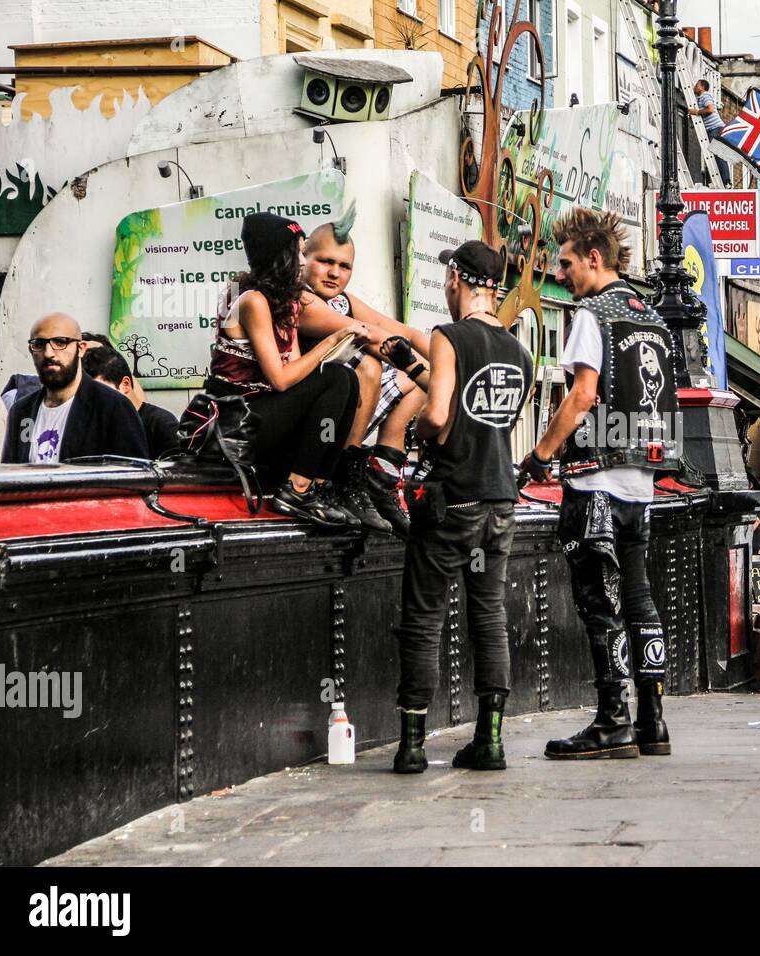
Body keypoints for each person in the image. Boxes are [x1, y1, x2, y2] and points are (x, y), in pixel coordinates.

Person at [520, 207, 681, 759]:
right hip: (642, 482)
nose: (559, 274)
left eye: (565, 264)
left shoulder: (593, 314)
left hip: (595, 478)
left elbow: (582, 394)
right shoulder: (653, 318)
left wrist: (541, 453)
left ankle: (613, 719)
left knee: (599, 602)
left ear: (593, 258)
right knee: (640, 598)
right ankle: (652, 721)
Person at [392, 240, 533, 775]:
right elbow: (497, 419)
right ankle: (490, 740)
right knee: (489, 615)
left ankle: (411, 746)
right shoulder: (519, 351)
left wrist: (418, 425)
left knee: (425, 617)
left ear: (457, 279)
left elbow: (439, 414)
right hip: (500, 499)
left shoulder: (448, 336)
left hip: (450, 498)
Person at [203, 211, 363, 526]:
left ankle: (315, 487)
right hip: (237, 423)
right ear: (281, 257)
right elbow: (280, 380)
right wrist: (331, 341)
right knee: (333, 377)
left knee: (346, 378)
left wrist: (341, 349)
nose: (304, 262)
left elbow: (296, 368)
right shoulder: (252, 301)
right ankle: (297, 490)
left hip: (263, 417)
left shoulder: (286, 302)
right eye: (299, 252)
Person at [300, 217, 432, 537]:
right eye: (325, 261)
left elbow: (406, 333)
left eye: (344, 266)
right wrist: (439, 377)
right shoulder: (301, 300)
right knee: (371, 366)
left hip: (344, 415)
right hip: (306, 420)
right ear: (303, 258)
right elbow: (374, 337)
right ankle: (344, 479)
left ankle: (379, 478)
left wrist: (453, 357)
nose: (334, 272)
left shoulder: (342, 301)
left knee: (416, 376)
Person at [2, 313, 148, 464]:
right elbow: (10, 476)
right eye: (39, 344)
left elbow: (132, 479)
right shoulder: (21, 411)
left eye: (60, 342)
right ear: (31, 350)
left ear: (81, 348)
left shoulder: (113, 407)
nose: (48, 353)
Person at [81, 347, 179, 458]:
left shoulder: (161, 425)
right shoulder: (90, 427)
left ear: (125, 385)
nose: (93, 400)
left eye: (101, 391)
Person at [688, 78, 731, 186]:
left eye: (697, 85)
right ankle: (722, 181)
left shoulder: (705, 95)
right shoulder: (700, 98)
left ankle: (726, 182)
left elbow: (710, 109)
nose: (695, 87)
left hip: (715, 128)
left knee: (718, 153)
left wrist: (696, 112)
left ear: (702, 87)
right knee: (715, 154)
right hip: (713, 129)